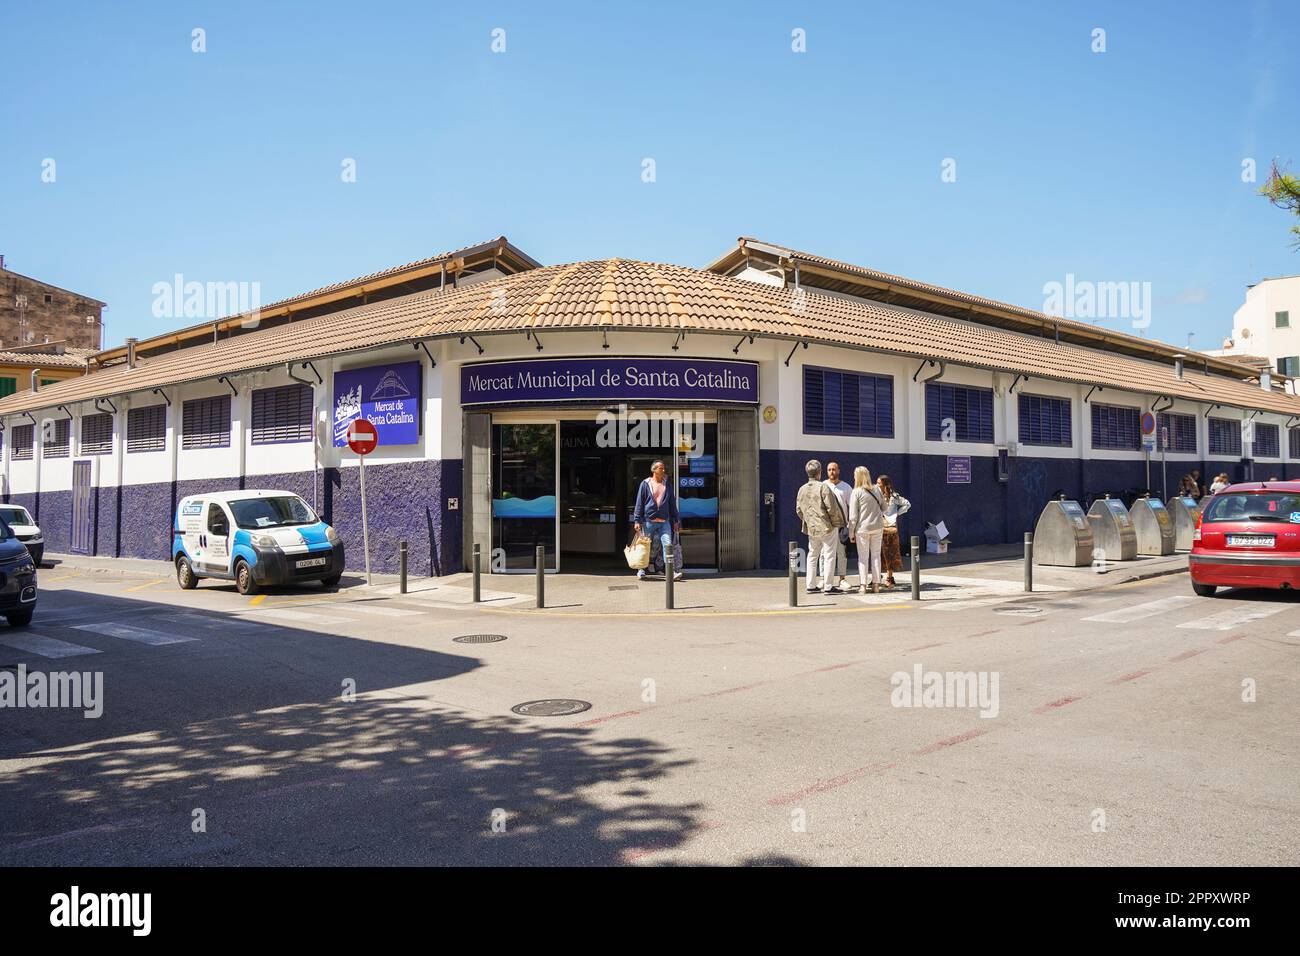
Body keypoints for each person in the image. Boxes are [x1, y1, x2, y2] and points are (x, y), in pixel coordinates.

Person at [796, 458, 846, 594]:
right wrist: (837, 524)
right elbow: (832, 508)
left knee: (812, 555)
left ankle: (810, 585)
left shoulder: (802, 489)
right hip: (826, 526)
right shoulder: (823, 487)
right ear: (819, 472)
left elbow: (799, 510)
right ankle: (828, 586)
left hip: (812, 528)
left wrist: (808, 521)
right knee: (829, 555)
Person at [632, 459, 682, 582]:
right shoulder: (645, 484)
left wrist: (676, 520)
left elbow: (672, 504)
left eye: (664, 468)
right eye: (661, 468)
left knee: (668, 545)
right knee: (644, 546)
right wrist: (637, 520)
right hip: (649, 520)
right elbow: (640, 503)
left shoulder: (667, 484)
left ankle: (670, 571)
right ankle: (641, 570)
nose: (663, 470)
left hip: (664, 521)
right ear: (654, 470)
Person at [848, 465, 885, 594]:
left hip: (862, 529)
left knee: (863, 558)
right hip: (878, 527)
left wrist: (851, 532)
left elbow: (853, 517)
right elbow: (884, 507)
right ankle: (876, 585)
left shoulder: (856, 492)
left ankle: (863, 585)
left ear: (857, 477)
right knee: (876, 556)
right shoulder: (877, 489)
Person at [876, 474, 911, 589]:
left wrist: (895, 515)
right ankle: (877, 577)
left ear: (886, 485)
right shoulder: (876, 496)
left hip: (891, 528)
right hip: (879, 527)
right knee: (879, 553)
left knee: (891, 553)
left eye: (879, 483)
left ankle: (889, 577)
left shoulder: (894, 497)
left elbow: (907, 504)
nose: (877, 485)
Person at [824, 461, 853, 591]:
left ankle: (842, 578)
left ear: (839, 471)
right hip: (827, 526)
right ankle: (824, 579)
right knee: (824, 554)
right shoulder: (823, 486)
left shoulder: (846, 487)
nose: (832, 472)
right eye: (829, 470)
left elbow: (852, 507)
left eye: (834, 469)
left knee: (842, 553)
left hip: (841, 526)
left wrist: (851, 525)